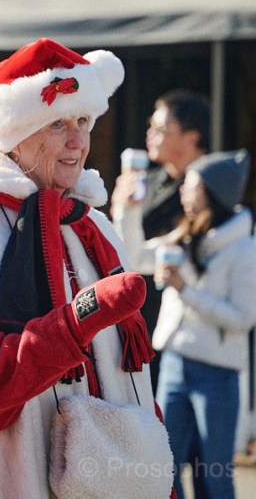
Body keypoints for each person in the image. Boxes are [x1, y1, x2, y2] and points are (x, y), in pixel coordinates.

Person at [0, 38, 167, 498]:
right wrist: (71, 327)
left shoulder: (93, 224)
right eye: (57, 123)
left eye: (83, 120)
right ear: (17, 131)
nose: (78, 140)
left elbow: (130, 379)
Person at [114, 149, 256, 499]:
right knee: (164, 466)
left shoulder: (244, 250)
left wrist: (184, 289)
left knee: (215, 474)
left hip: (218, 375)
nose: (182, 191)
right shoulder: (187, 234)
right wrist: (127, 208)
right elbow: (133, 256)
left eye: (190, 185)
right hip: (175, 365)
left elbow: (243, 317)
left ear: (211, 193)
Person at [112, 89, 210, 390]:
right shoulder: (150, 179)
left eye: (162, 128)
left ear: (192, 136)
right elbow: (126, 251)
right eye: (150, 126)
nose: (151, 135)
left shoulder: (209, 188)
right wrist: (120, 207)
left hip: (187, 325)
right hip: (139, 309)